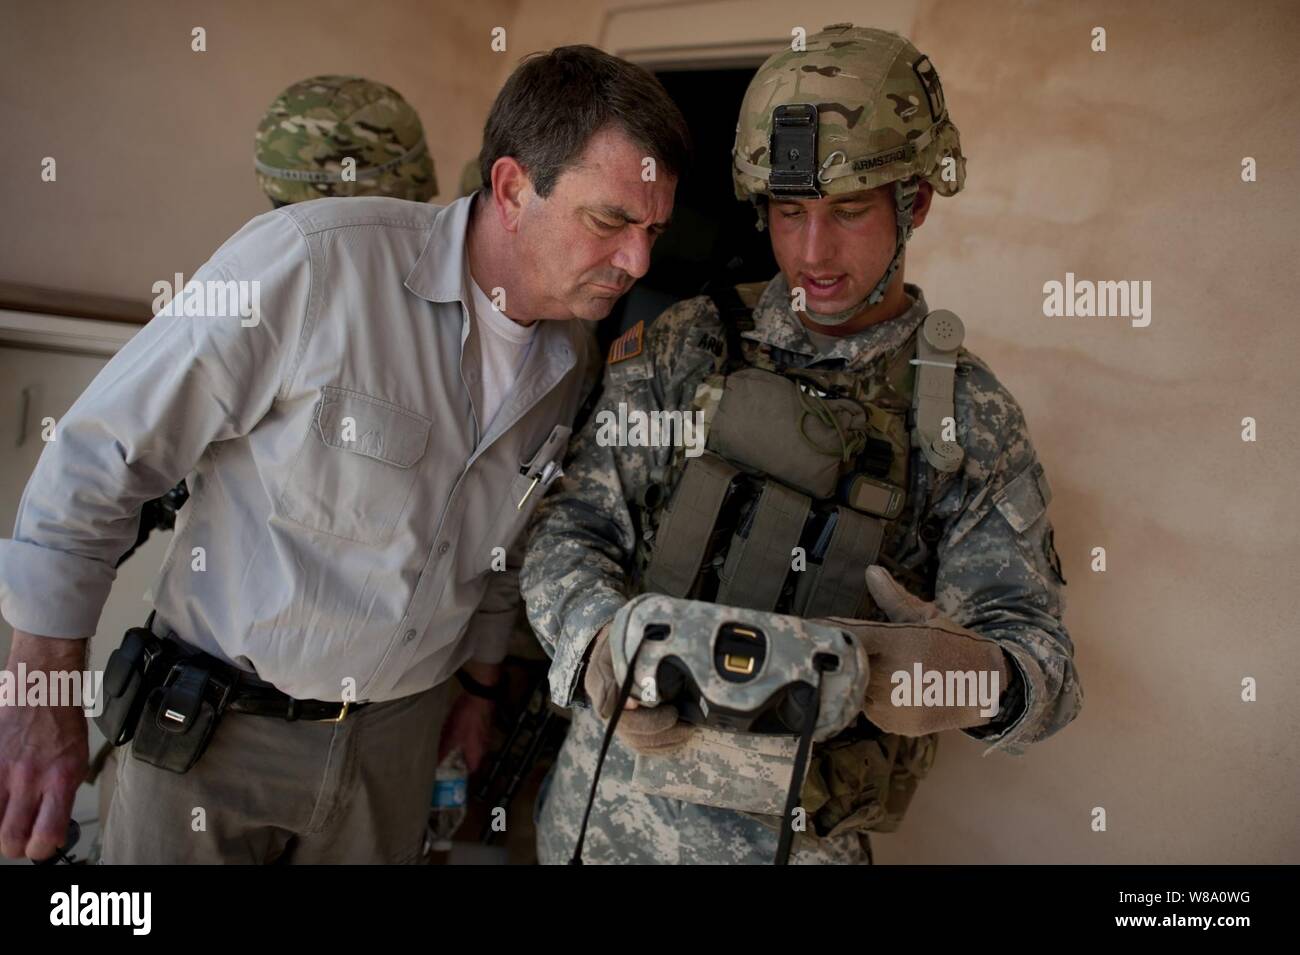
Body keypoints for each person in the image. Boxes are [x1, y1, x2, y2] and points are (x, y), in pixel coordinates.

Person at [0, 46, 689, 863]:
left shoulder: (568, 358)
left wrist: (474, 687)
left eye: (652, 230)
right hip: (215, 736)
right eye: (610, 221)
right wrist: (40, 688)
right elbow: (103, 454)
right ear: (511, 188)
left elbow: (500, 546)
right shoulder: (314, 262)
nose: (638, 262)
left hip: (391, 752)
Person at [521, 24, 1083, 864]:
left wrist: (960, 675)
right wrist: (601, 642)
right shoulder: (687, 346)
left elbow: (1046, 671)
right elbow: (569, 533)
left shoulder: (966, 415)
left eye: (848, 211)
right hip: (602, 822)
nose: (812, 252)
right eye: (789, 212)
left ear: (916, 203)